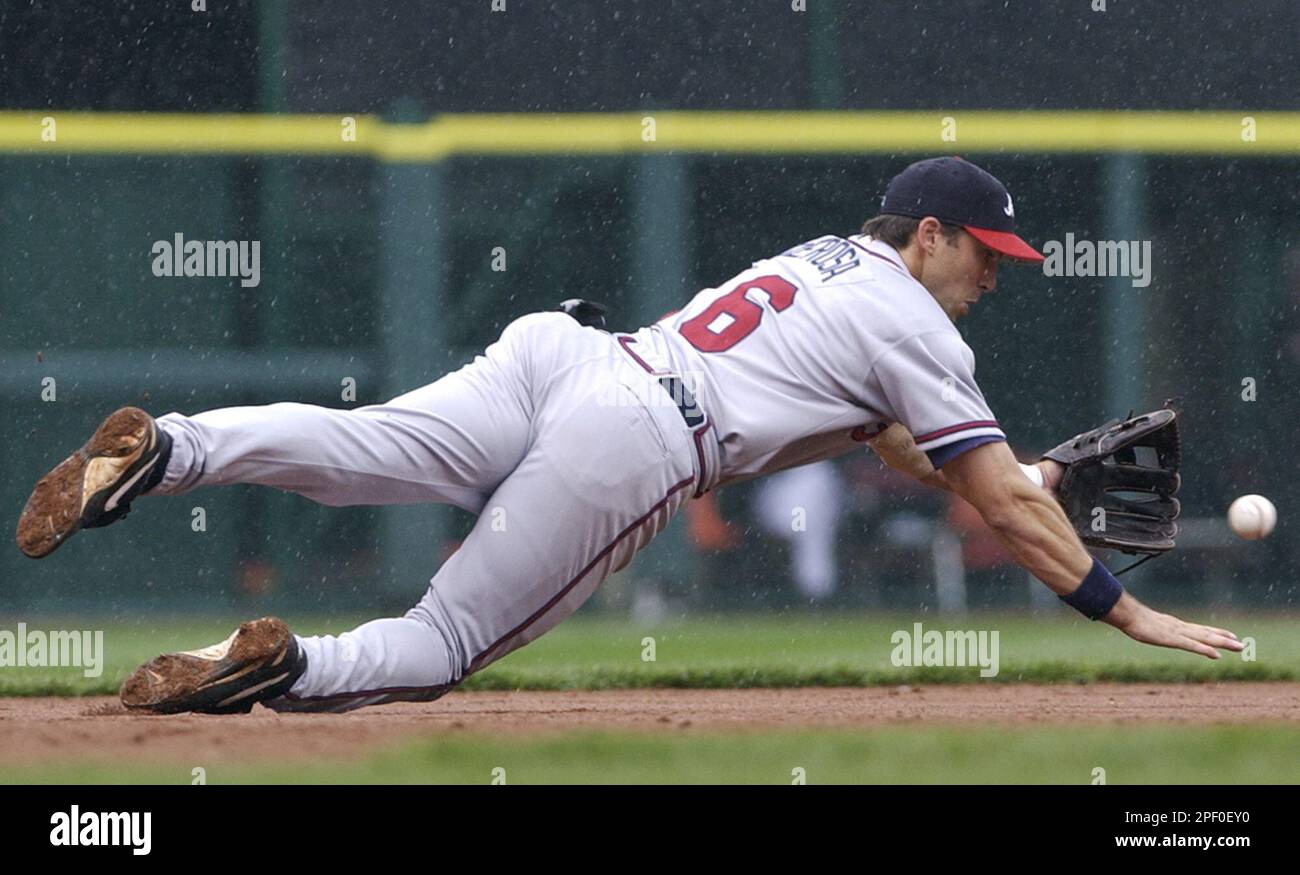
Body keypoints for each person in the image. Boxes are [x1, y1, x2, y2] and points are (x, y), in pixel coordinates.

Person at [15, 156, 1243, 714]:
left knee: (364, 442)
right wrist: (1117, 606)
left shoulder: (829, 263)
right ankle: (271, 657)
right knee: (441, 641)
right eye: (984, 252)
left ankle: (172, 447)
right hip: (638, 433)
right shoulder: (919, 322)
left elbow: (900, 447)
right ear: (926, 233)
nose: (993, 275)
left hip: (573, 354)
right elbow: (993, 497)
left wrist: (1011, 476)